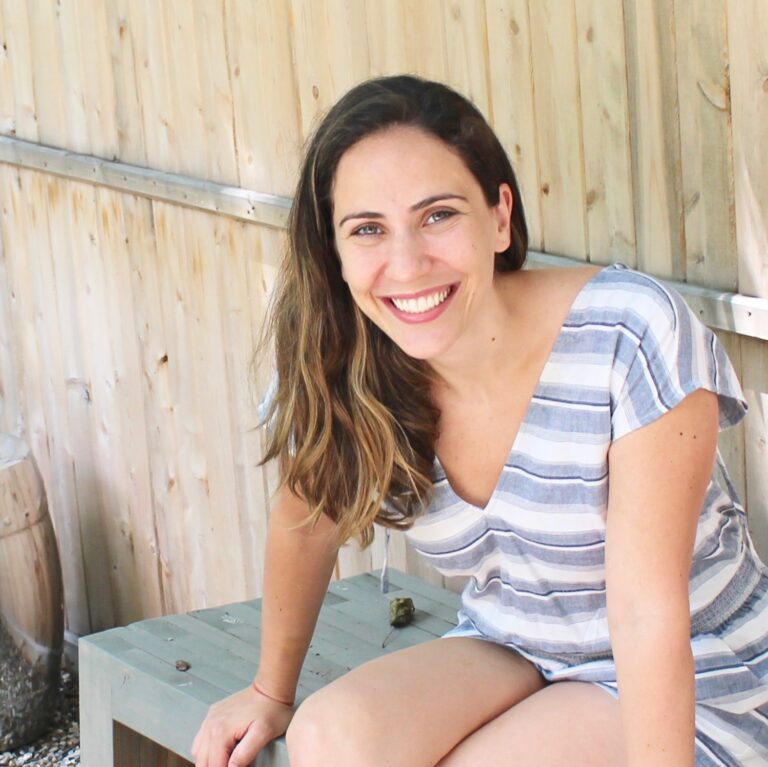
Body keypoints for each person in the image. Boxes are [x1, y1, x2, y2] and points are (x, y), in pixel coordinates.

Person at [191, 75, 768, 767]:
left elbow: (648, 618)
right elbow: (306, 517)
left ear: (499, 216)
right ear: (335, 251)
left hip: (702, 674)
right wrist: (268, 689)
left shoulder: (629, 334)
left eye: (438, 215)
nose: (406, 264)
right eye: (368, 228)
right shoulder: (343, 362)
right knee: (328, 738)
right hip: (513, 645)